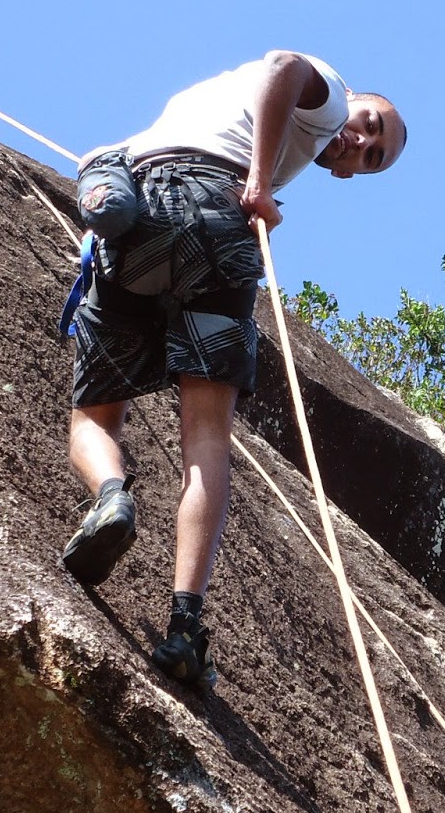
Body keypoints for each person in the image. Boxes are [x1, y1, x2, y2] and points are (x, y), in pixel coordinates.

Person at [63, 50, 406, 686]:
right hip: (219, 216)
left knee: (95, 417)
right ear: (354, 99)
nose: (358, 141)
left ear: (351, 174)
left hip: (140, 221)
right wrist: (255, 181)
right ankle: (185, 624)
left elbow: (96, 164)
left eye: (370, 154)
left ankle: (111, 498)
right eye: (370, 125)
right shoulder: (328, 96)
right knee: (207, 433)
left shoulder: (201, 109)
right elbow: (282, 66)